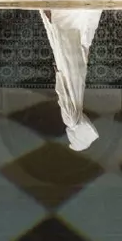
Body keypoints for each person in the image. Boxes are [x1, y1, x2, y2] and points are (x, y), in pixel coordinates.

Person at [39, 9, 102, 151]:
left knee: (68, 48)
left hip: (69, 76)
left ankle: (56, 16)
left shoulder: (72, 120)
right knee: (72, 48)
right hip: (72, 78)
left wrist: (59, 75)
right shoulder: (75, 119)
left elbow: (63, 94)